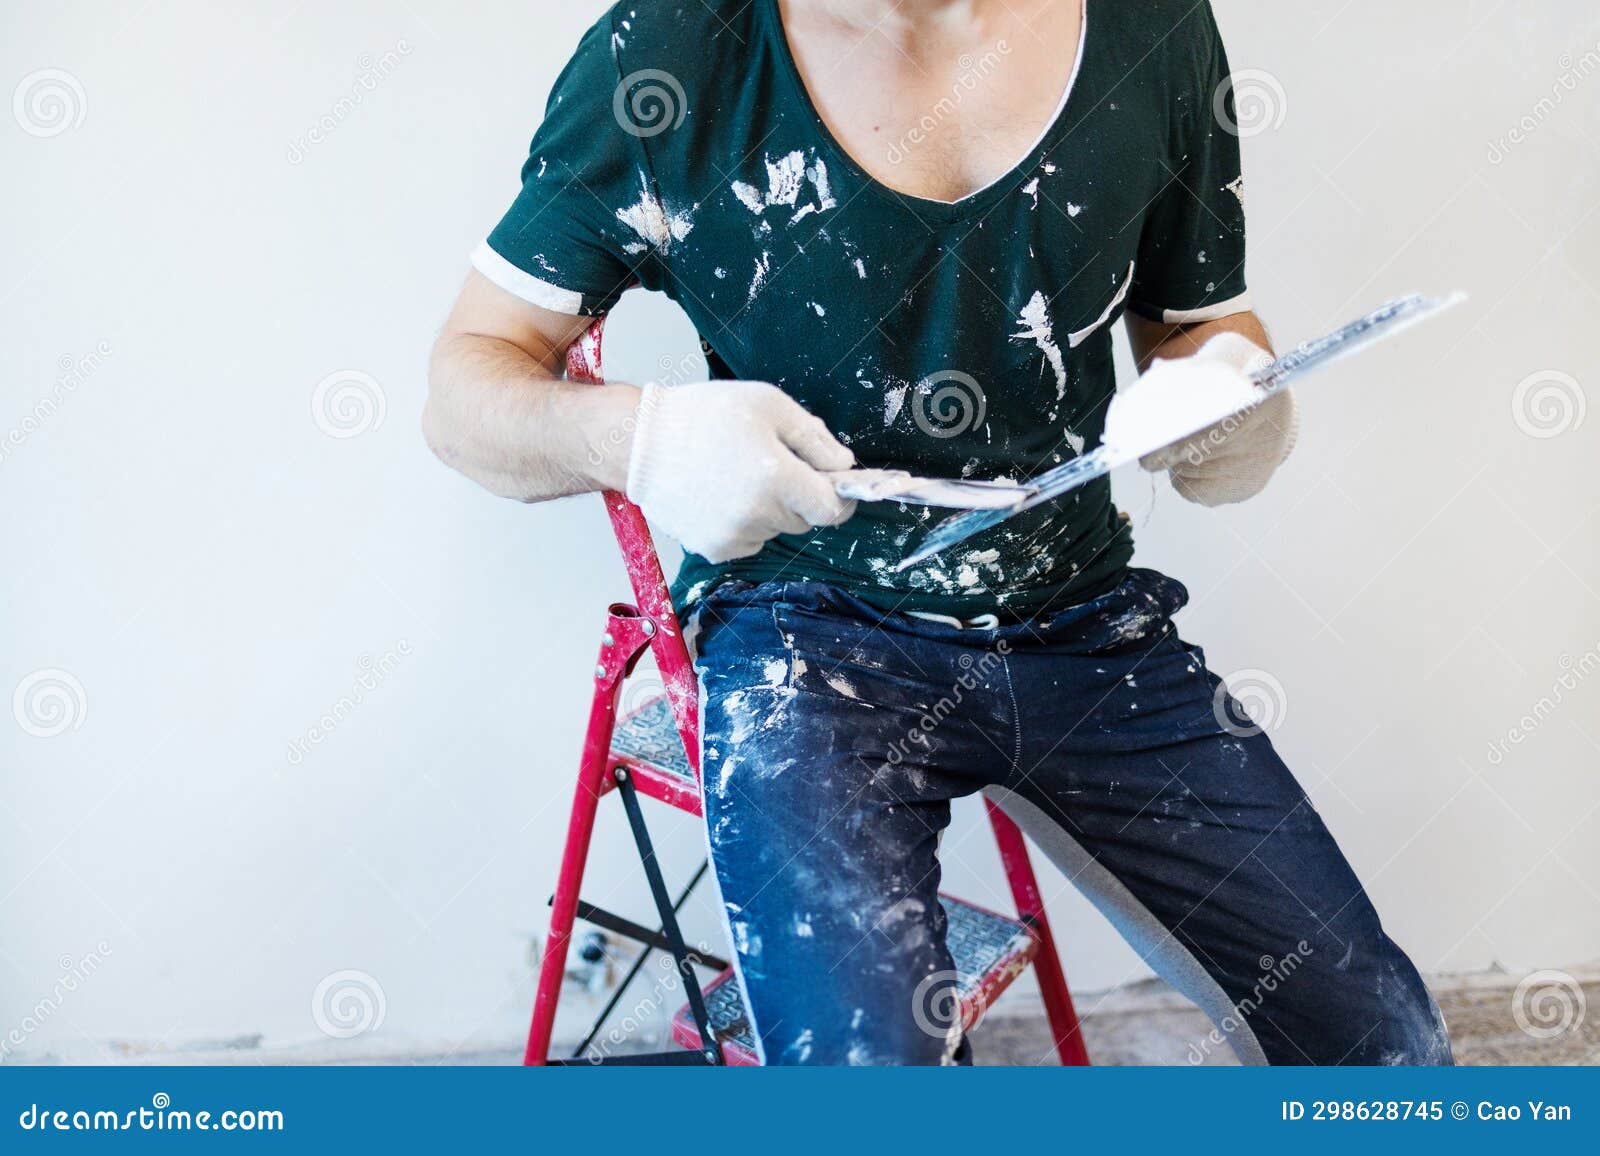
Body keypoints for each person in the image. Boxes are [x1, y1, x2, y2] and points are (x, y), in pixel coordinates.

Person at [424, 0, 1453, 1066]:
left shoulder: (1154, 26)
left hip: (1082, 620)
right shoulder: (674, 53)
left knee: (1384, 1051)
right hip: (807, 636)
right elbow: (466, 387)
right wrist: (640, 440)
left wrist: (1234, 397)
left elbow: (1201, 320)